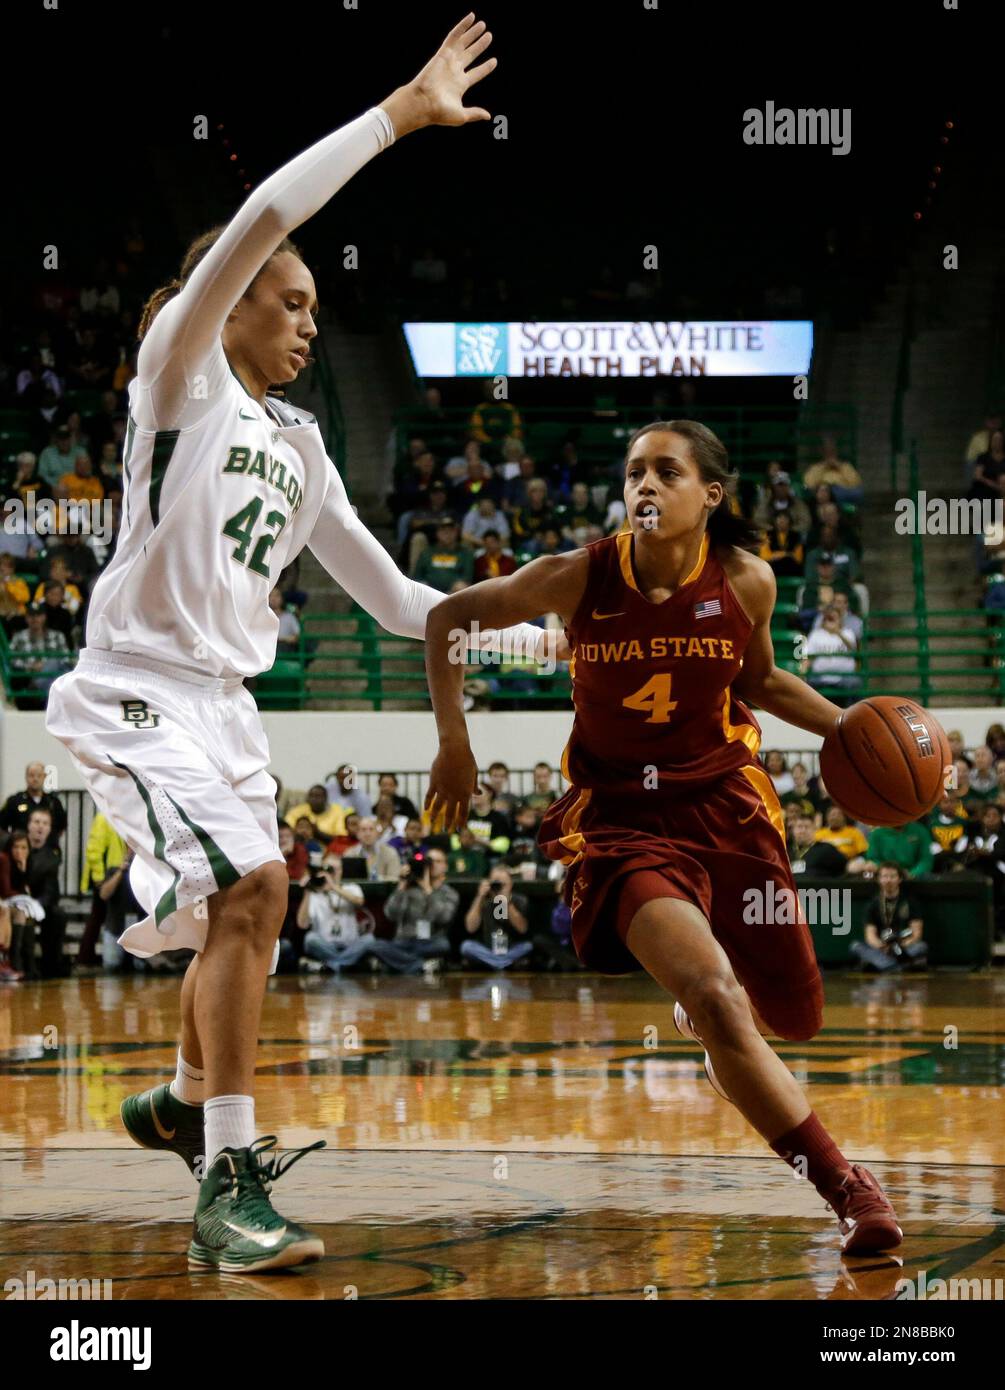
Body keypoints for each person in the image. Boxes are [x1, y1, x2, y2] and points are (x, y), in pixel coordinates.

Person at [44, 16, 559, 1276]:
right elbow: (270, 203)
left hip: (224, 706)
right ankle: (224, 1176)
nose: (310, 321)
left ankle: (178, 1100)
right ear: (230, 299)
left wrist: (541, 642)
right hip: (134, 687)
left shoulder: (305, 445)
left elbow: (398, 603)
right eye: (291, 297)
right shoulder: (178, 377)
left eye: (318, 307)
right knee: (256, 890)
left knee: (250, 910)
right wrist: (398, 113)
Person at [423, 416, 903, 1254]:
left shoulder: (746, 581)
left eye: (665, 473)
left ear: (709, 495)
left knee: (790, 1020)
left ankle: (714, 1031)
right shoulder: (577, 576)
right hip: (620, 824)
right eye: (634, 472)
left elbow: (758, 680)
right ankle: (847, 1189)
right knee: (718, 999)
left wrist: (847, 731)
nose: (643, 486)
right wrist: (455, 745)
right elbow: (447, 622)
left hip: (727, 808)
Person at [381, 847, 458, 973]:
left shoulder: (449, 893)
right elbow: (390, 914)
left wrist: (428, 890)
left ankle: (396, 962)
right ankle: (422, 965)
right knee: (374, 945)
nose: (432, 865)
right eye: (430, 861)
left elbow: (444, 918)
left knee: (443, 945)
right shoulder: (407, 888)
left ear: (445, 866)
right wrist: (401, 886)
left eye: (437, 861)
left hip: (430, 943)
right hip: (403, 941)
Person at [294, 854, 369, 973]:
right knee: (310, 939)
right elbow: (302, 924)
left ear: (341, 871)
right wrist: (308, 891)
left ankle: (331, 965)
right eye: (329, 869)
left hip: (350, 945)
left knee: (369, 940)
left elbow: (359, 902)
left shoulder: (351, 888)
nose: (332, 873)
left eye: (335, 869)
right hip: (325, 945)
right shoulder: (315, 894)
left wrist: (333, 887)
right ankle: (346, 964)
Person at [850, 864, 927, 973]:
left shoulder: (910, 902)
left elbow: (917, 934)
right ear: (878, 879)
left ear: (899, 879)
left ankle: (883, 965)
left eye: (892, 876)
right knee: (855, 946)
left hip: (903, 946)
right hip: (882, 948)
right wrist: (882, 946)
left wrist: (900, 945)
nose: (888, 880)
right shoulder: (873, 904)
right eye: (884, 876)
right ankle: (898, 966)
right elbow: (870, 935)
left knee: (921, 947)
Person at [460, 864, 533, 970]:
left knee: (528, 946)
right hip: (487, 949)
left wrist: (507, 902)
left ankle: (495, 963)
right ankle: (501, 963)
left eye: (503, 884)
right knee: (466, 946)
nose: (499, 887)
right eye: (496, 883)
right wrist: (480, 896)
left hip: (511, 949)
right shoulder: (484, 900)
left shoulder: (520, 900)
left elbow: (522, 929)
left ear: (510, 884)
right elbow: (470, 927)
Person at [1, 760, 68, 845]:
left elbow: (61, 828)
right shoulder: (15, 801)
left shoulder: (54, 802)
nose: (35, 779)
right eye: (31, 775)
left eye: (39, 776)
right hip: (22, 853)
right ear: (26, 777)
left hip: (48, 851)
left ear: (45, 777)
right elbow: (2, 826)